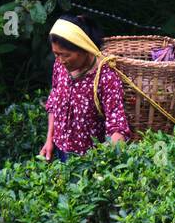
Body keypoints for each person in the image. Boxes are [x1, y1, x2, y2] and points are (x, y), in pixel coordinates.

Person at [40, 14, 130, 161]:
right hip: (59, 150)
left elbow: (118, 129)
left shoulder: (105, 77)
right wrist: (49, 139)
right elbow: (54, 101)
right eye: (56, 54)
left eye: (65, 55)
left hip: (89, 160)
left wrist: (100, 163)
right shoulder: (60, 66)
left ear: (84, 49)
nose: (60, 60)